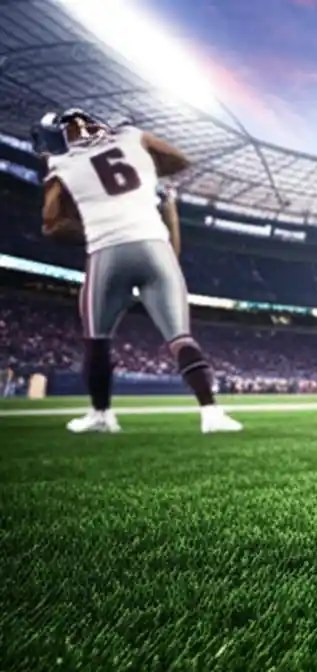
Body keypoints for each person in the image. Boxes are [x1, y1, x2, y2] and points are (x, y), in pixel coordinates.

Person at [40, 109, 240, 433]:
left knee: (97, 340)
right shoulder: (132, 137)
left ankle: (102, 415)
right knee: (181, 337)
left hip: (107, 251)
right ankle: (211, 414)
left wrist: (90, 224)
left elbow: (51, 225)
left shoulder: (62, 162)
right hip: (154, 247)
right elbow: (179, 160)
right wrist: (145, 174)